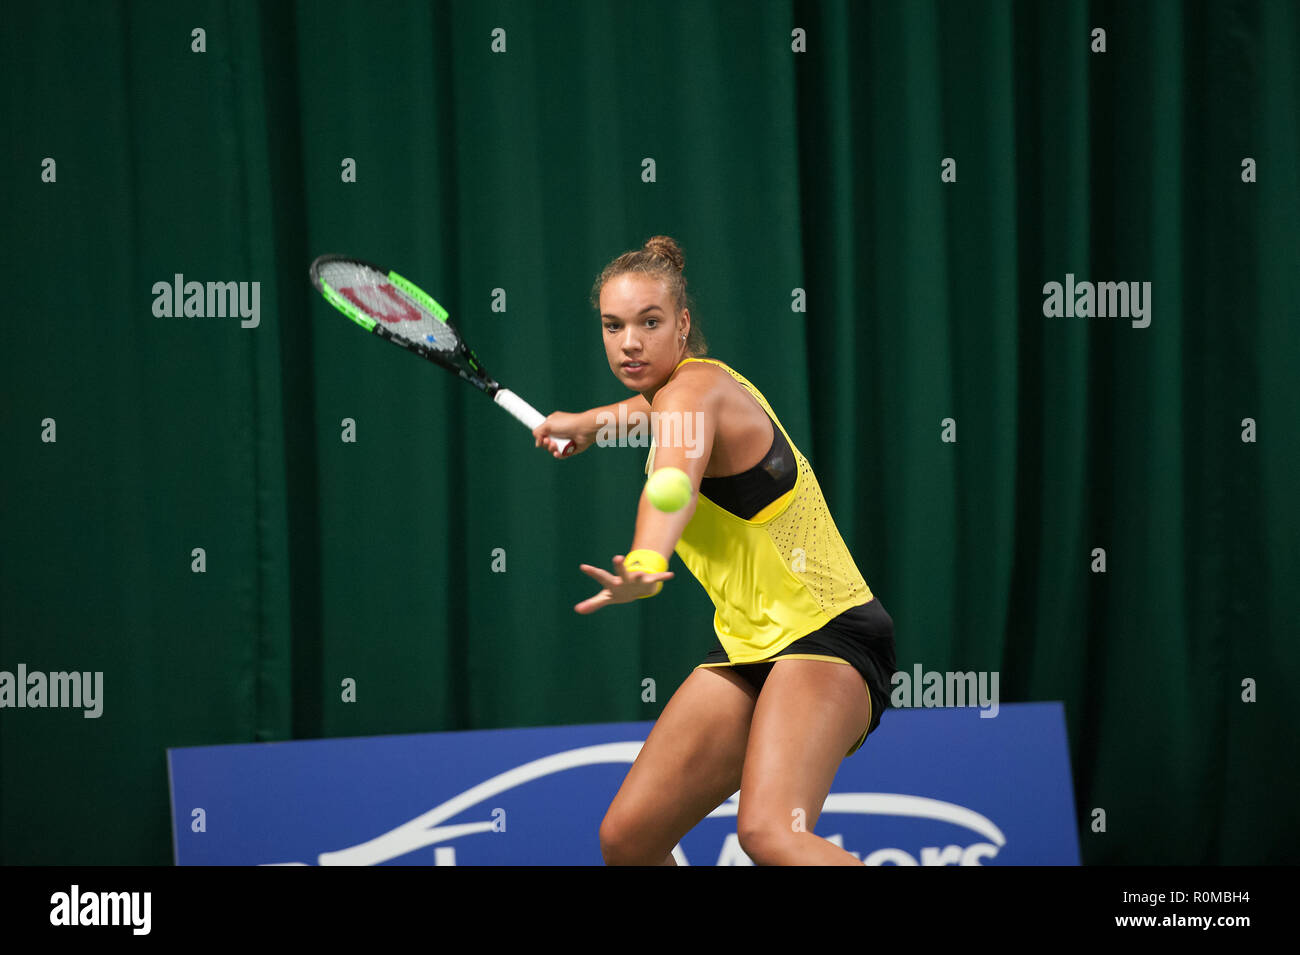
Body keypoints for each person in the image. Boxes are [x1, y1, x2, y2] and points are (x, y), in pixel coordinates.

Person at [532, 236, 896, 866]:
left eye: (650, 322)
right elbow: (646, 412)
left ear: (684, 323)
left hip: (826, 635)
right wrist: (587, 423)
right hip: (749, 646)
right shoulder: (681, 393)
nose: (630, 343)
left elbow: (671, 483)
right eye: (613, 326)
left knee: (770, 832)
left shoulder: (694, 395)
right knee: (630, 837)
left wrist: (647, 562)